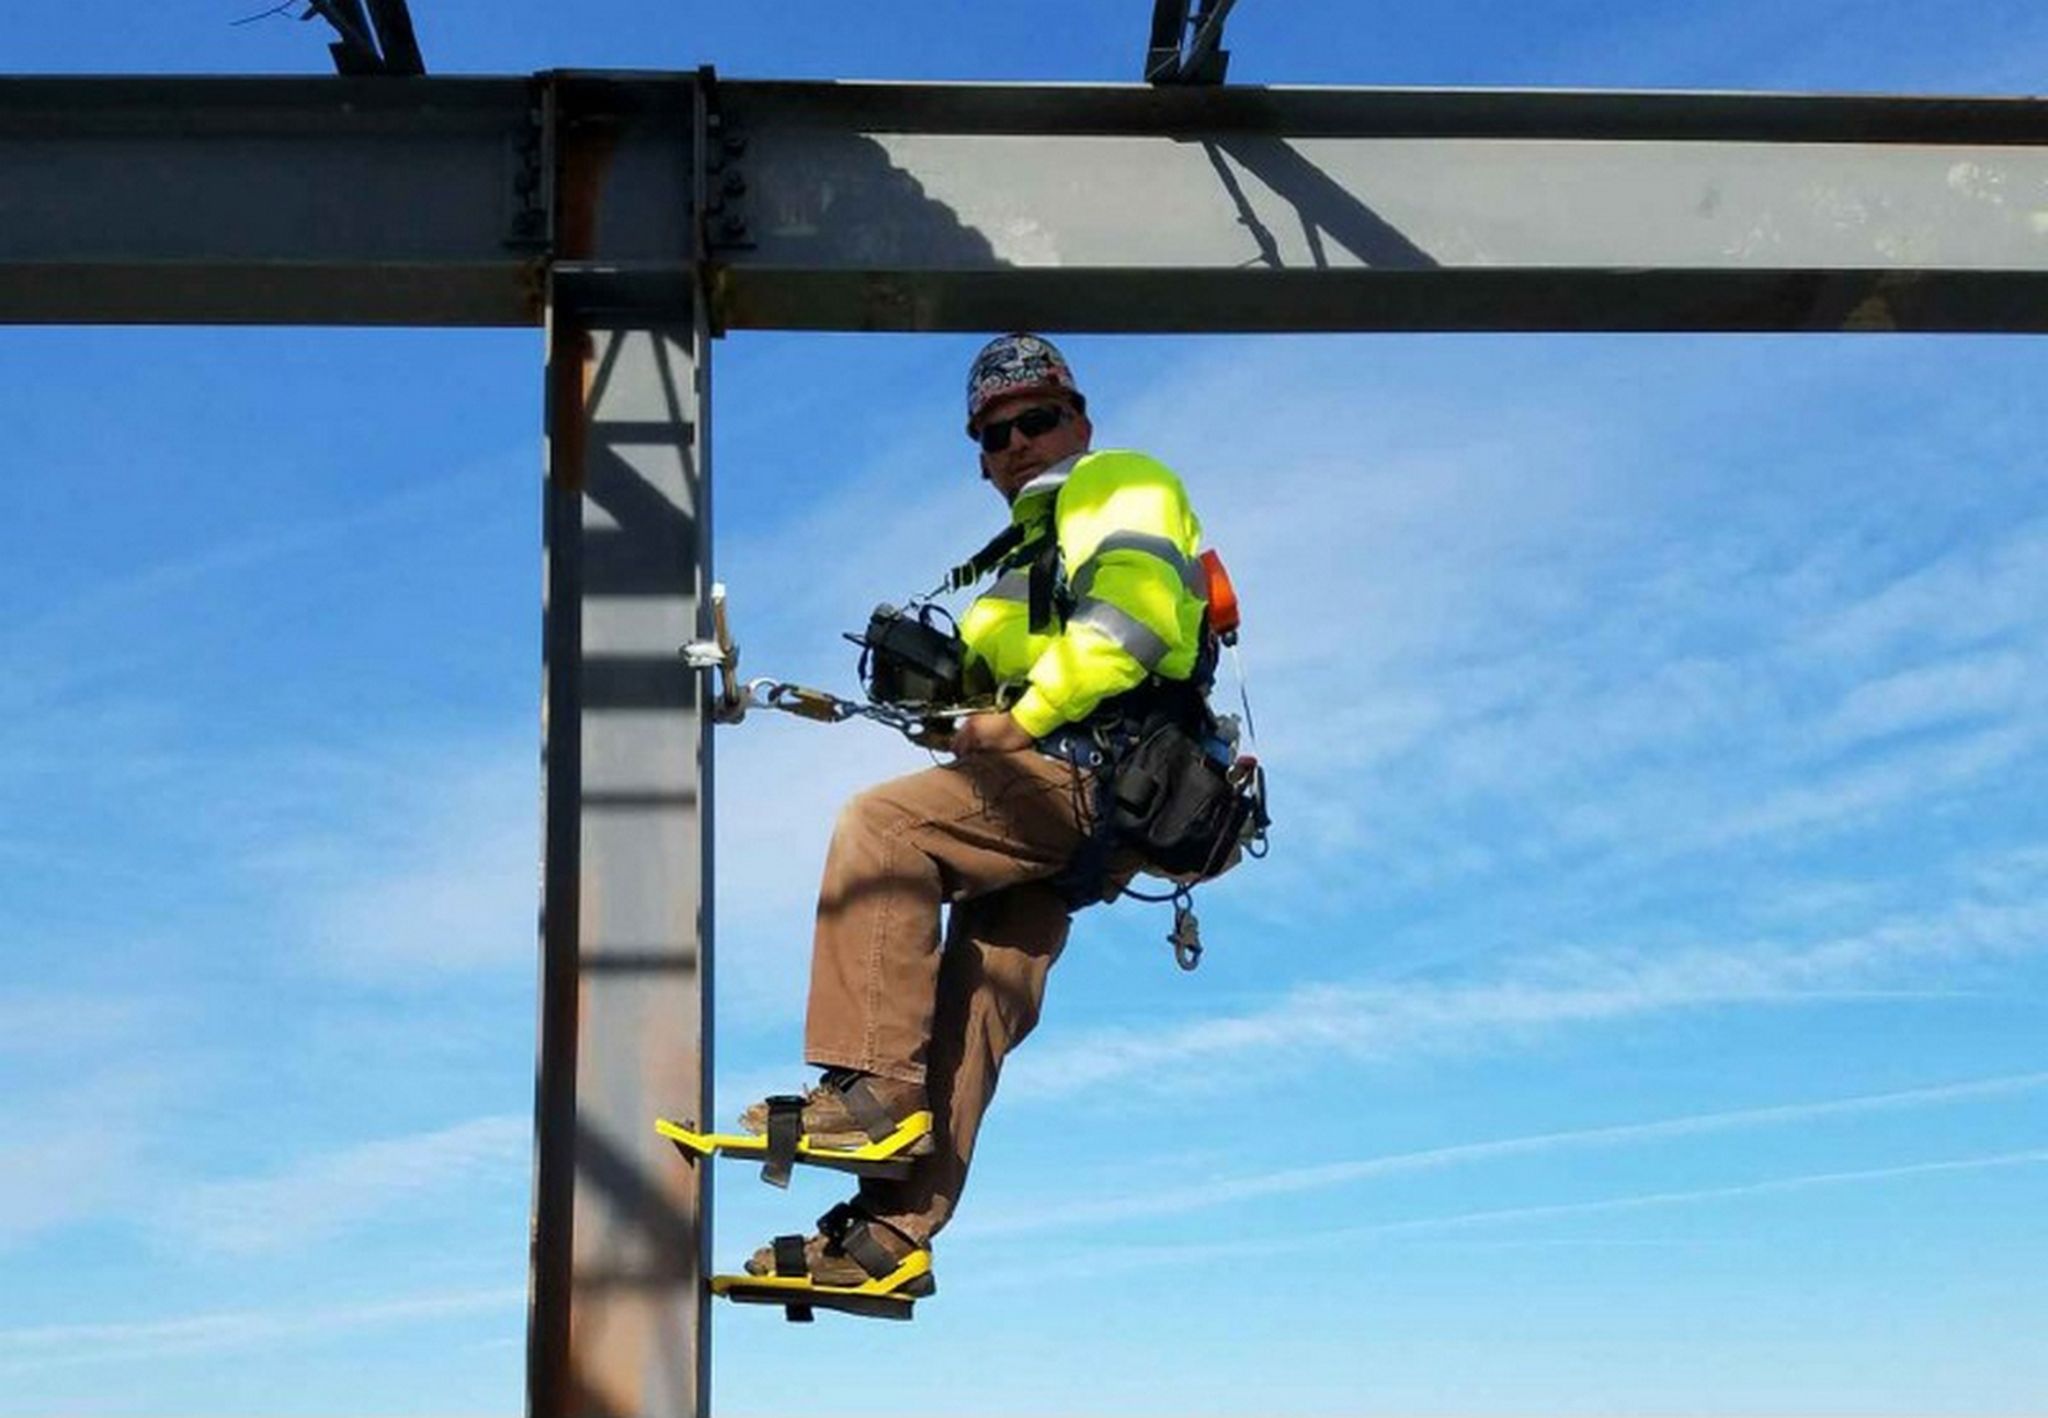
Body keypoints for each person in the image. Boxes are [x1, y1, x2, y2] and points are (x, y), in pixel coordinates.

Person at [741, 333, 1214, 1289]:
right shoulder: (1014, 559)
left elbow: (1135, 622)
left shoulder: (1118, 482)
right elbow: (997, 698)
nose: (1015, 446)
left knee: (887, 830)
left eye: (1036, 421)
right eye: (993, 437)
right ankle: (888, 1239)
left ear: (1078, 420)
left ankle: (870, 1090)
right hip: (1091, 809)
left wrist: (1024, 716)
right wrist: (945, 700)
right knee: (975, 1007)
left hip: (1094, 772)